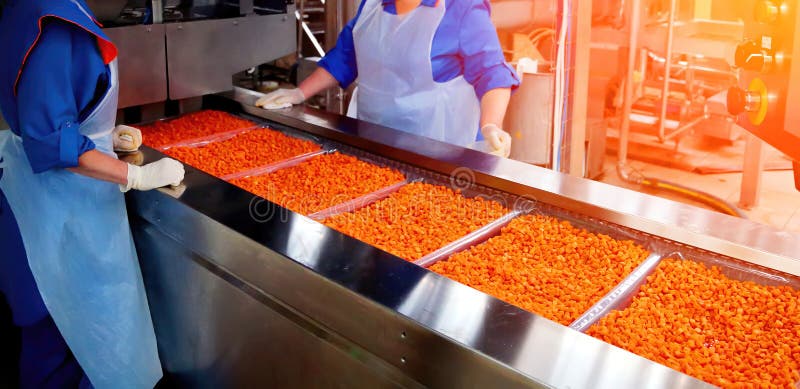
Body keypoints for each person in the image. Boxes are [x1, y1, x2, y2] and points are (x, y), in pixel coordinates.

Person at [0, 0, 185, 387]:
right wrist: (135, 174)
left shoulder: (32, 7)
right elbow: (50, 141)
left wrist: (98, 134)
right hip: (56, 210)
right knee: (63, 335)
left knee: (65, 332)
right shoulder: (53, 22)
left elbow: (48, 103)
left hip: (45, 198)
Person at [256, 0, 520, 157]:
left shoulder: (462, 8)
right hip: (374, 143)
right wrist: (299, 93)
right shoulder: (372, 5)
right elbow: (346, 56)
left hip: (439, 150)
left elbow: (491, 72)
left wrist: (491, 125)